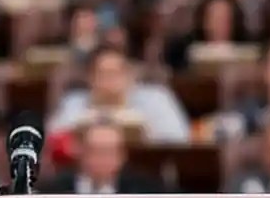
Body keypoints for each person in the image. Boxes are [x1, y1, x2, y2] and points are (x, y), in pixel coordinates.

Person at [49, 44, 191, 142]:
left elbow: (179, 138)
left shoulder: (157, 98)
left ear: (130, 75)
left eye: (116, 73)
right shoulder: (73, 102)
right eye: (102, 74)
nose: (110, 81)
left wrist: (145, 133)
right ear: (90, 79)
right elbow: (53, 139)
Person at [38, 118, 165, 195]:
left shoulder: (143, 191)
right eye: (94, 150)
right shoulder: (53, 190)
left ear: (122, 156)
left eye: (107, 151)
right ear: (80, 152)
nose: (101, 159)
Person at [164, 0, 252, 72]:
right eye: (214, 19)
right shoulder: (183, 52)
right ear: (203, 22)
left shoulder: (248, 52)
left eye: (225, 19)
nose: (219, 25)